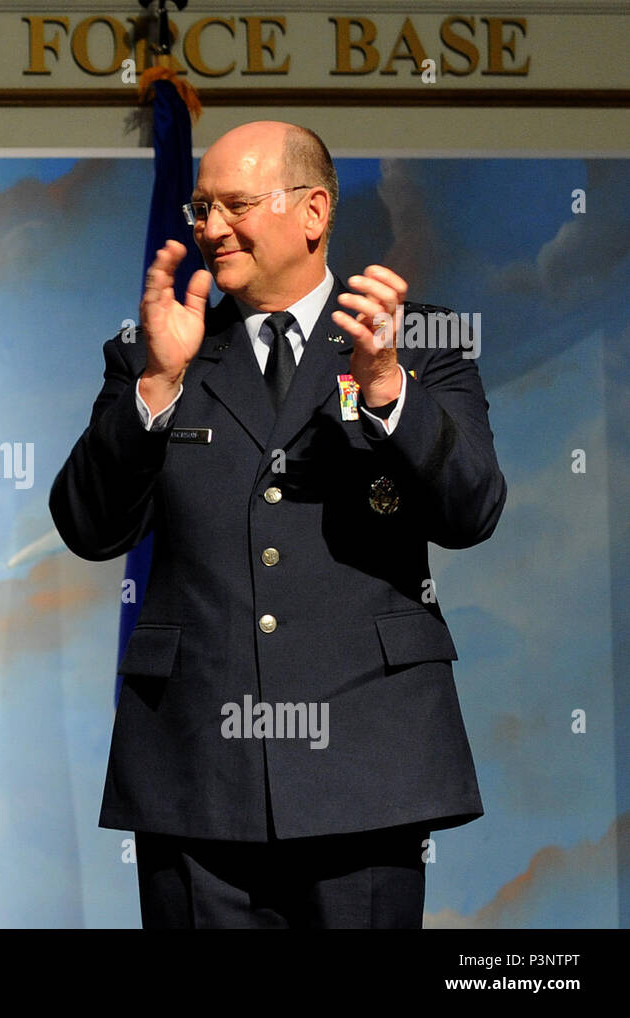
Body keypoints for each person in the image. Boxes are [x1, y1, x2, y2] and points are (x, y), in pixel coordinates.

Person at [50, 121, 506, 928]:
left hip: (368, 770)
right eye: (201, 208)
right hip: (194, 776)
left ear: (314, 212)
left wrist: (388, 391)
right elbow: (89, 527)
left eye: (235, 205)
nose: (211, 228)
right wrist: (156, 387)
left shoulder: (415, 345)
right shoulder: (156, 354)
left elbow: (472, 511)